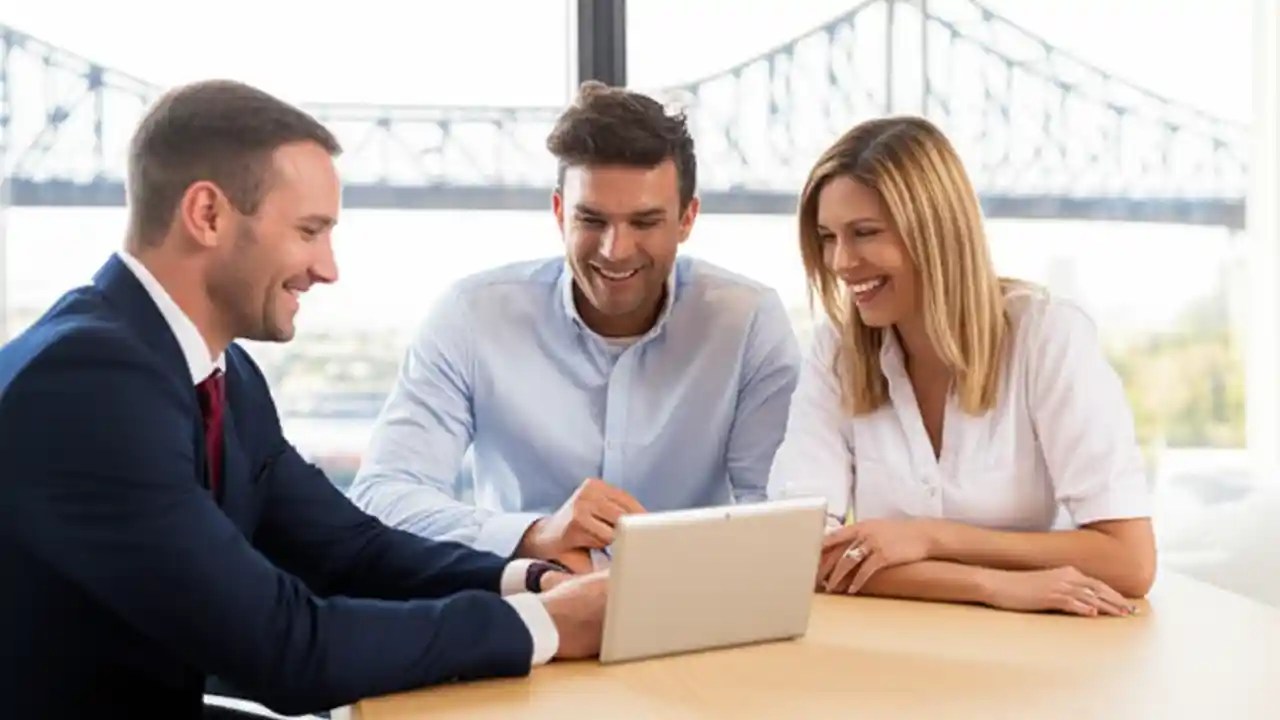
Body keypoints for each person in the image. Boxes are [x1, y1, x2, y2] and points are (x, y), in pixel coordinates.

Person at [0, 79, 607, 719]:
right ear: (207, 215)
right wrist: (544, 626)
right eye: (309, 231)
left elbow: (349, 550)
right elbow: (287, 650)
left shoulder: (220, 373)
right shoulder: (86, 386)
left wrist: (526, 580)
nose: (328, 268)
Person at [348, 81, 800, 572]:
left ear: (687, 218)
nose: (615, 250)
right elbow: (383, 494)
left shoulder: (748, 321)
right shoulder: (471, 316)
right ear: (560, 212)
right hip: (528, 609)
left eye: (645, 222)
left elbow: (780, 514)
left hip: (695, 608)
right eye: (592, 220)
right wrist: (534, 535)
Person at [766, 116, 1157, 617]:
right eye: (827, 237)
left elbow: (1128, 559)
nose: (840, 262)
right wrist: (990, 585)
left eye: (864, 233)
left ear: (935, 233)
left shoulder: (1046, 336)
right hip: (891, 654)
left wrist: (927, 538)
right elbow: (800, 553)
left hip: (1039, 661)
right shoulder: (836, 351)